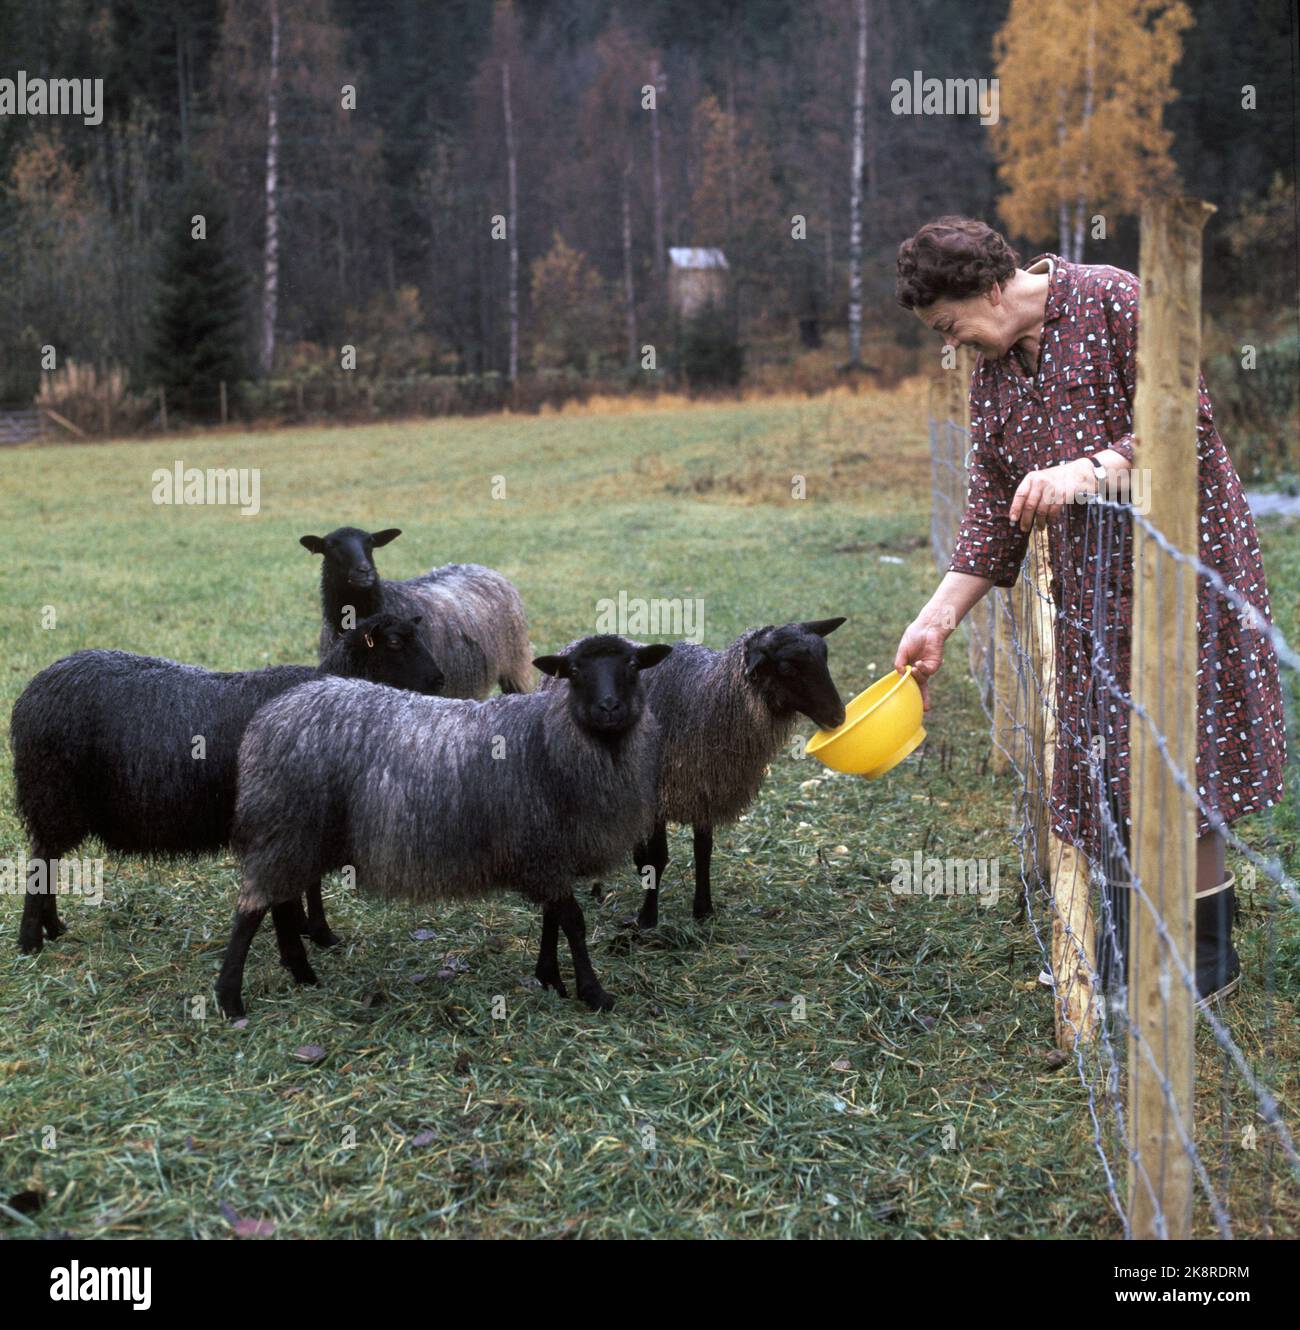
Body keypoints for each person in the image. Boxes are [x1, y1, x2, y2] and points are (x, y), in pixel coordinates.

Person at [892, 216, 1286, 1003]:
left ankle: (1208, 956)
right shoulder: (995, 376)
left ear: (993, 288)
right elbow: (986, 516)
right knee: (1105, 757)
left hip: (1184, 571)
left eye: (951, 325)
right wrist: (935, 618)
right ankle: (1124, 943)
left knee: (1181, 753)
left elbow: (1185, 421)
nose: (954, 343)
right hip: (1089, 589)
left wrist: (1090, 468)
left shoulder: (1113, 300)